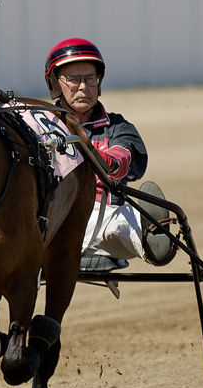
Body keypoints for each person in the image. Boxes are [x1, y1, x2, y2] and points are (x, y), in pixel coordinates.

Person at [44, 37, 176, 271]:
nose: (83, 87)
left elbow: (126, 156)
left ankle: (151, 238)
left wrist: (107, 161)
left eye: (90, 79)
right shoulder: (39, 124)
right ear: (55, 83)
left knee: (129, 217)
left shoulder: (117, 126)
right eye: (74, 80)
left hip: (103, 217)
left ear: (99, 82)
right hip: (54, 219)